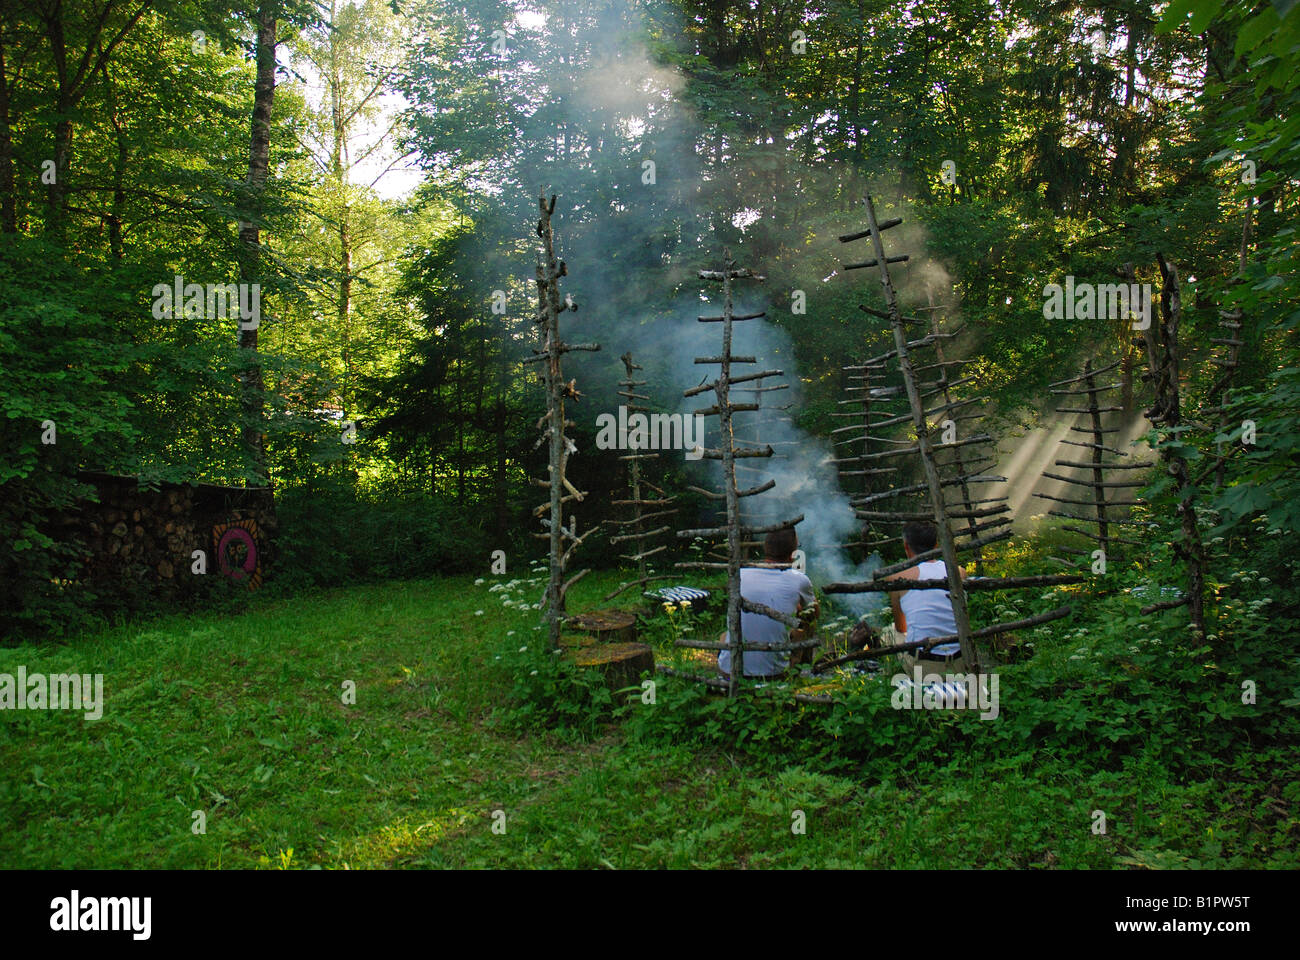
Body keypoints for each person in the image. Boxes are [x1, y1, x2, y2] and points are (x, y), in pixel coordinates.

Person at [717, 526, 819, 680]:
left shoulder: (740, 574)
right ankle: (801, 672)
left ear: (766, 548)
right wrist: (797, 609)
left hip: (729, 672)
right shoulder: (798, 580)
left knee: (724, 635)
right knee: (806, 625)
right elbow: (814, 613)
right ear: (793, 554)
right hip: (774, 674)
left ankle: (729, 667)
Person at [883, 520, 970, 672]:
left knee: (889, 632)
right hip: (960, 662)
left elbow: (901, 627)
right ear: (936, 545)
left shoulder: (898, 579)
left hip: (924, 666)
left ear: (906, 546)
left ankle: (891, 678)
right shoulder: (959, 572)